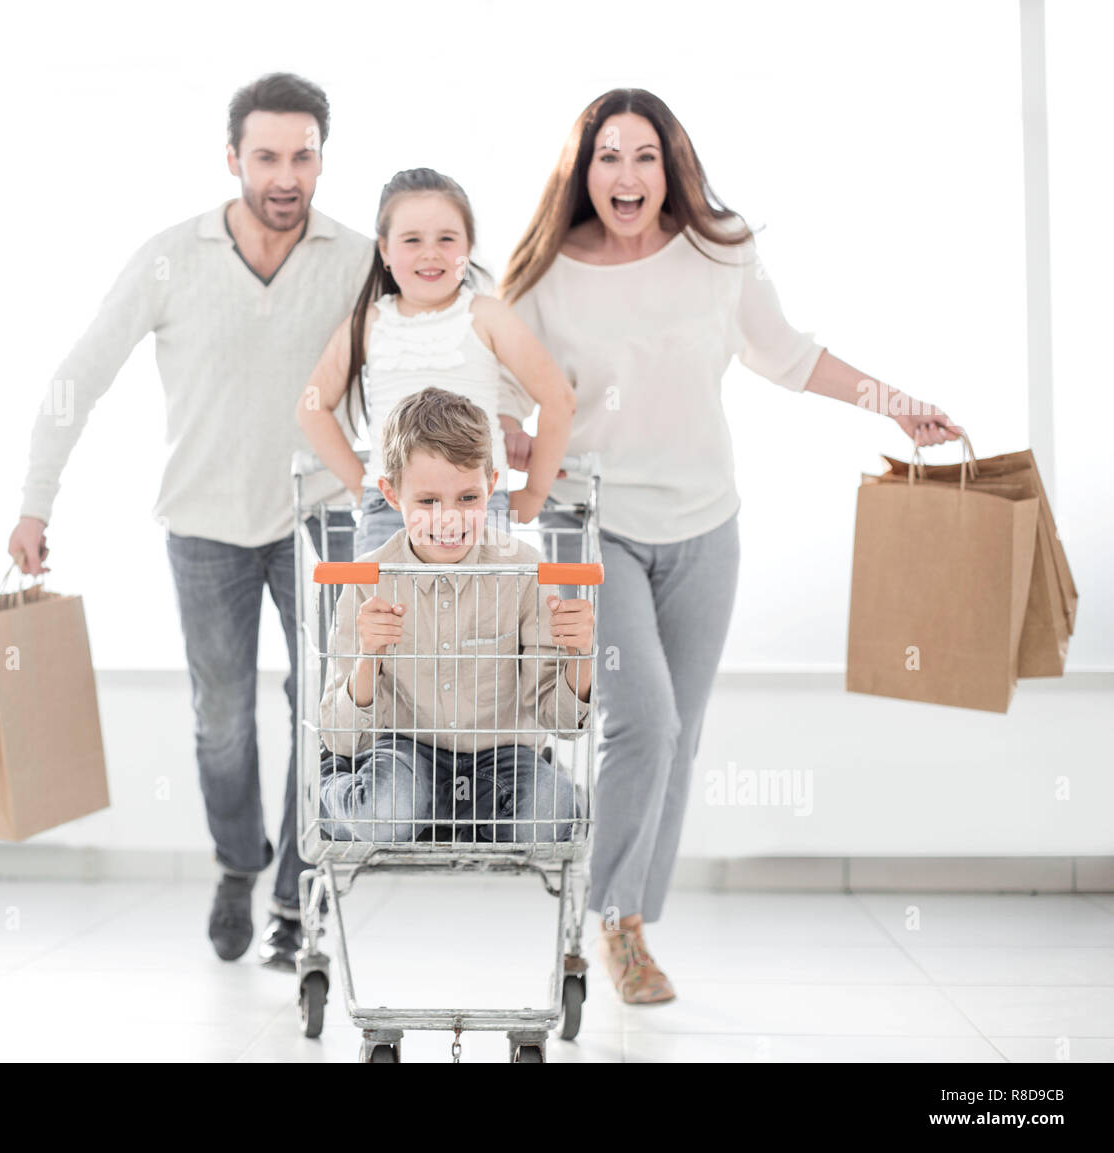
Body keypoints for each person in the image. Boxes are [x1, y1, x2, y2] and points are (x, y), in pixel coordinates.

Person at [498, 88, 965, 1003]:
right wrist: (505, 446)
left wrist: (896, 404)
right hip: (593, 525)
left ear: (670, 165)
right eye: (606, 157)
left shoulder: (721, 252)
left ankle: (626, 911)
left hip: (706, 523)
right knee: (646, 722)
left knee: (682, 733)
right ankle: (613, 924)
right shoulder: (546, 276)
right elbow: (503, 393)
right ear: (580, 171)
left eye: (643, 156)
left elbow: (788, 356)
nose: (625, 174)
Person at [6, 73, 372, 967]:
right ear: (233, 157)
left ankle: (295, 895)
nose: (285, 176)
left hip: (317, 519)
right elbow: (80, 371)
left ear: (322, 158)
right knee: (221, 718)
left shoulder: (361, 257)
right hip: (205, 525)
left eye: (303, 156)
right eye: (267, 156)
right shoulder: (171, 255)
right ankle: (235, 863)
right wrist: (34, 499)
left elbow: (445, 328)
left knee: (322, 712)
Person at [317, 388, 590, 843]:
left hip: (501, 756)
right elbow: (343, 738)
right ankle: (354, 797)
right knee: (383, 811)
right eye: (427, 501)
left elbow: (560, 721)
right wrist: (370, 657)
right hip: (405, 754)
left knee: (544, 814)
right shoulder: (367, 578)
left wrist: (580, 655)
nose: (449, 519)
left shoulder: (525, 572)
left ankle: (515, 803)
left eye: (467, 498)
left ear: (491, 486)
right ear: (390, 493)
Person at [295, 168, 575, 558]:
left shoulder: (486, 316)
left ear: (468, 246)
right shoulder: (370, 323)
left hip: (474, 507)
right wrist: (362, 484)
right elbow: (312, 407)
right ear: (385, 250)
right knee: (386, 616)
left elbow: (559, 397)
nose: (431, 252)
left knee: (479, 617)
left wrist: (535, 492)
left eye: (447, 239)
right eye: (412, 240)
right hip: (391, 510)